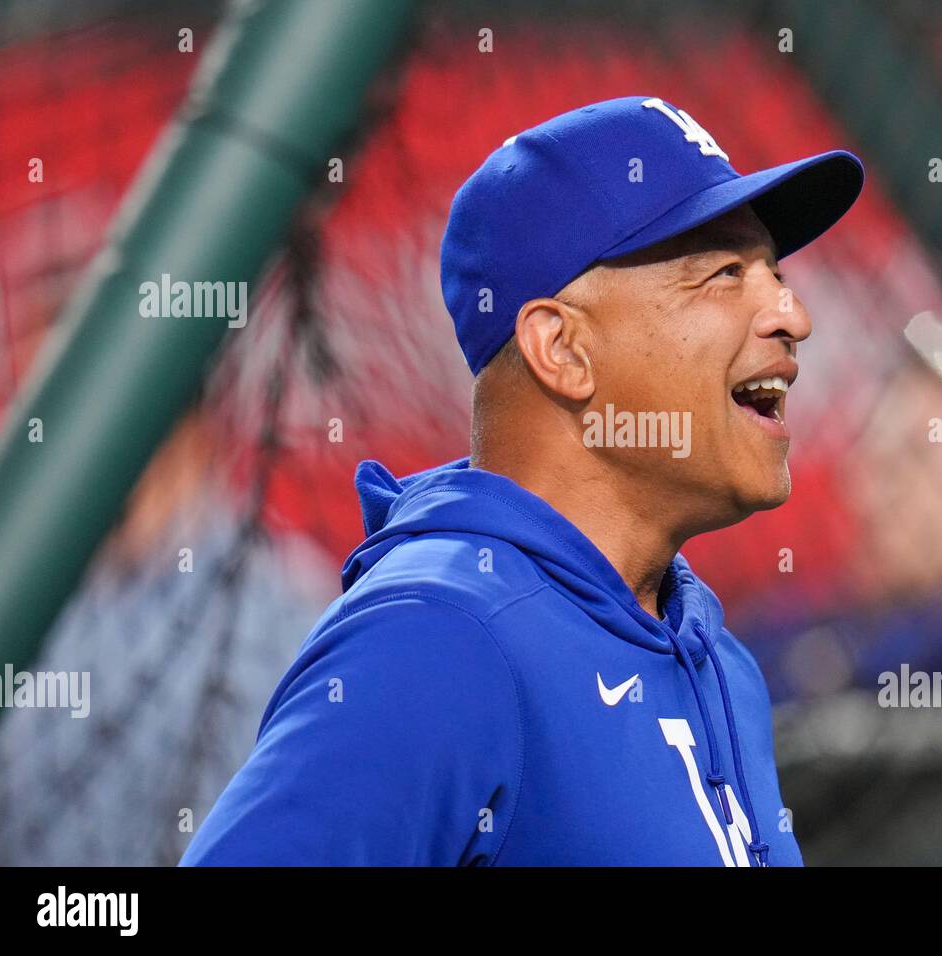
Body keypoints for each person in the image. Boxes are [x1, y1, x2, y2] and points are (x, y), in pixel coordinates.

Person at [180, 95, 863, 866]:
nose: (791, 314)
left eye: (774, 271)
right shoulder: (439, 641)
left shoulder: (716, 661)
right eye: (723, 273)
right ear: (562, 349)